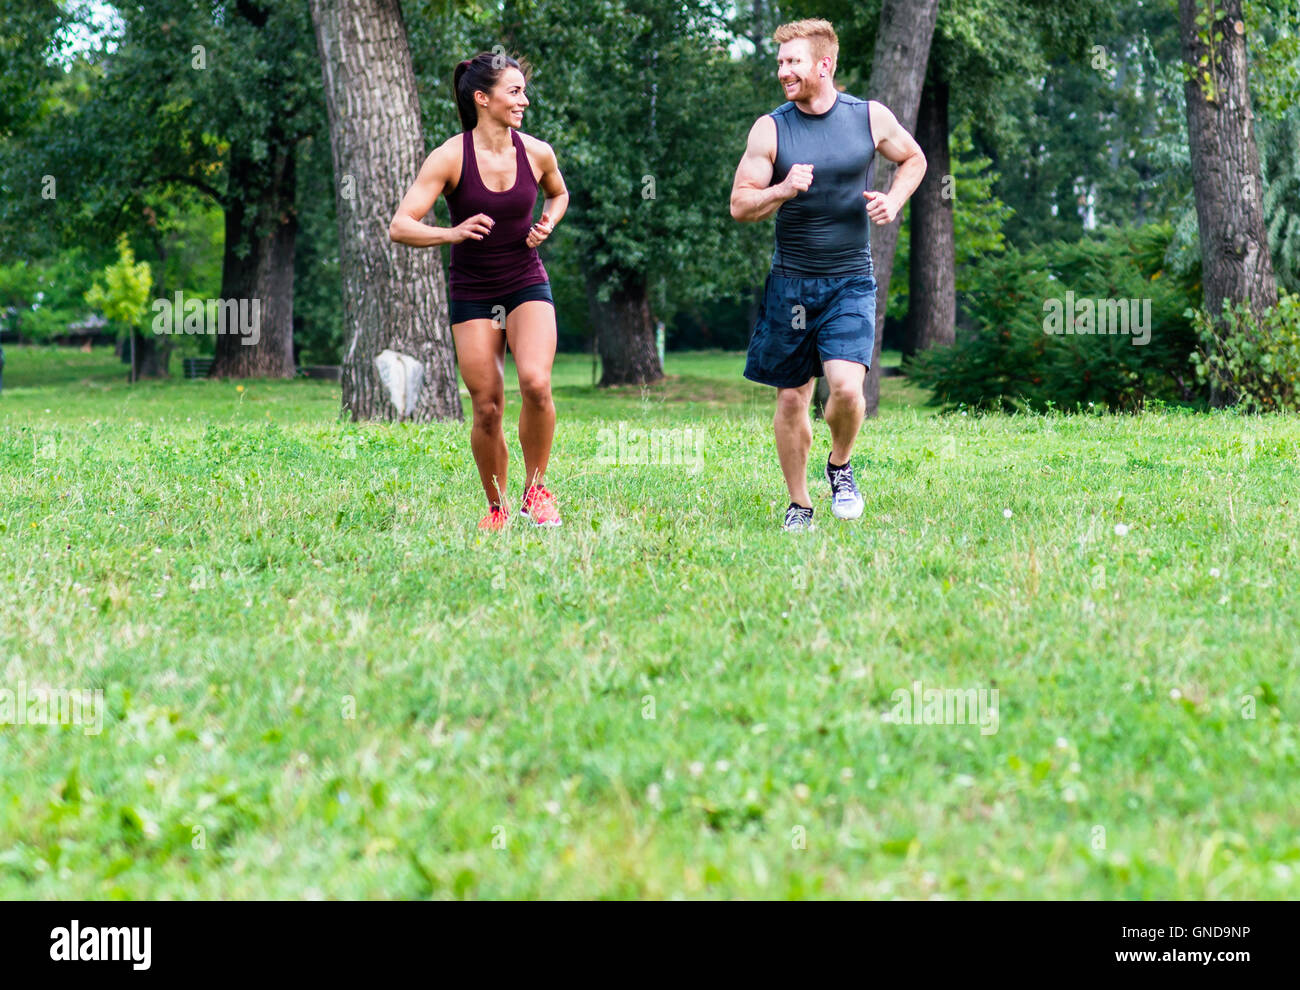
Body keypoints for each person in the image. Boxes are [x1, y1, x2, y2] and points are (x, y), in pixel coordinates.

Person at [729, 19, 926, 532]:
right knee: (793, 397)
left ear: (825, 65)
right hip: (791, 284)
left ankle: (839, 465)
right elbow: (740, 205)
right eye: (779, 63)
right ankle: (799, 504)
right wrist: (781, 190)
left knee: (845, 389)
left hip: (849, 281)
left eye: (793, 62)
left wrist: (894, 199)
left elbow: (914, 159)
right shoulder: (771, 128)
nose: (783, 72)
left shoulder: (869, 117)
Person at [390, 52, 569, 530]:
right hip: (473, 290)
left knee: (535, 382)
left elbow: (558, 192)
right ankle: (497, 508)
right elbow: (401, 226)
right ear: (482, 98)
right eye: (514, 91)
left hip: (525, 281)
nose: (523, 100)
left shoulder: (537, 152)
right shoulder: (449, 156)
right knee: (487, 406)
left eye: (523, 91)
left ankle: (537, 491)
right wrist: (450, 233)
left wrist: (547, 222)